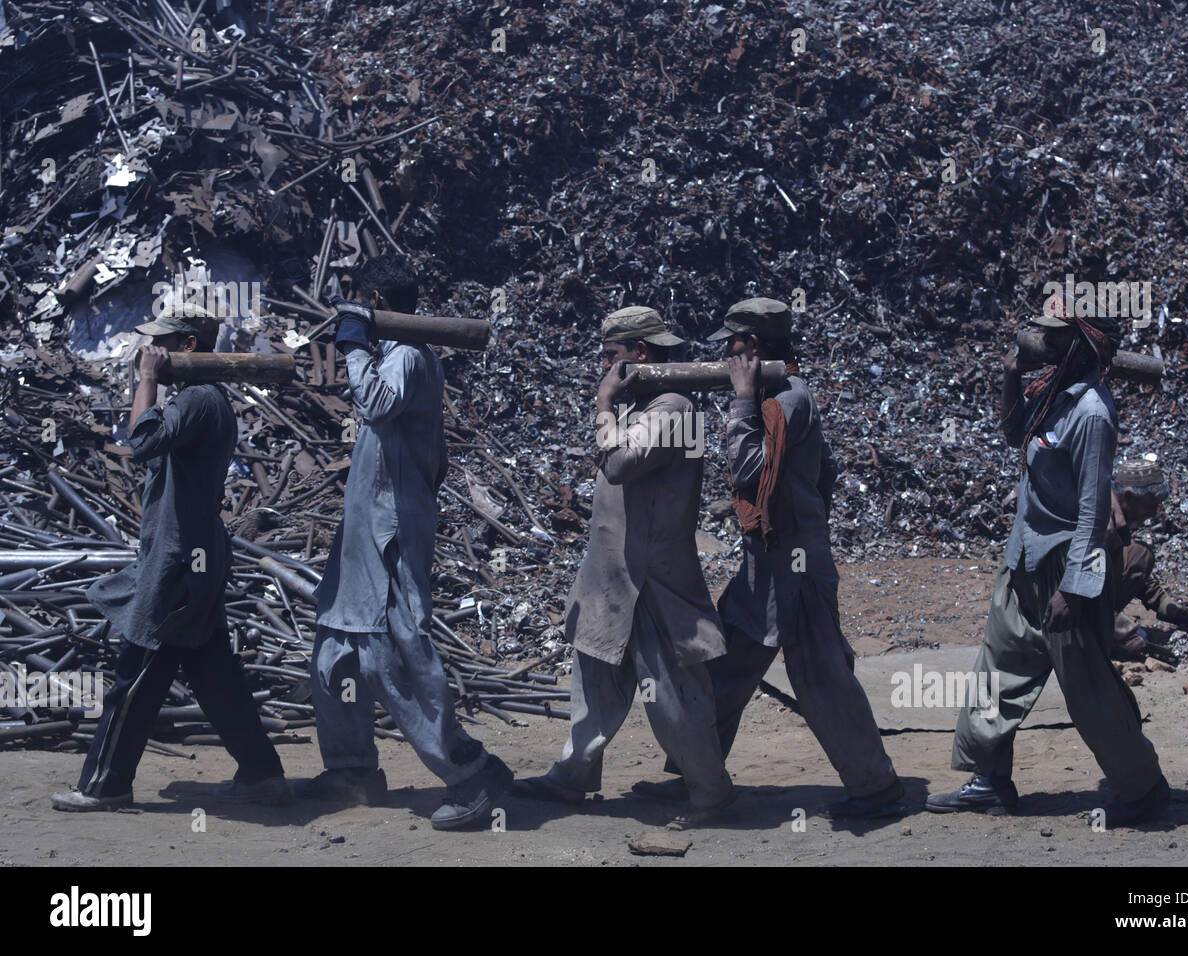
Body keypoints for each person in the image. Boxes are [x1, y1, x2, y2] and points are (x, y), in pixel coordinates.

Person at [633, 297, 905, 819]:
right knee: (729, 667)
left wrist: (739, 402)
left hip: (795, 568)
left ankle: (876, 787)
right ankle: (699, 774)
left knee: (821, 676)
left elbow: (749, 473)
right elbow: (824, 471)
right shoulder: (777, 395)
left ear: (752, 347)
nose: (727, 355)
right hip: (769, 561)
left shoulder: (787, 400)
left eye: (732, 346)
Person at [926, 306, 1170, 826]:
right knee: (999, 666)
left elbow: (1092, 508)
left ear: (1082, 347)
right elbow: (1016, 434)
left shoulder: (1092, 414)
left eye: (1056, 339)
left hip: (1063, 562)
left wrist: (1075, 589)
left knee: (1087, 687)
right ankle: (987, 781)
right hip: (1025, 554)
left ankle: (1142, 788)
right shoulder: (1054, 394)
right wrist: (1012, 375)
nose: (1044, 346)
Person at [294, 255, 511, 830]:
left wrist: (354, 343)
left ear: (380, 305)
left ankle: (466, 774)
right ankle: (352, 769)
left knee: (394, 652)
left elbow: (376, 403)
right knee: (337, 648)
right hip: (366, 527)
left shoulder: (409, 355)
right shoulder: (399, 355)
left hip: (390, 525)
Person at [52, 306, 288, 811]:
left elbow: (140, 443)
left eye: (158, 345)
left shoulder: (199, 399)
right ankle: (264, 774)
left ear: (185, 346)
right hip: (190, 553)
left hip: (179, 562)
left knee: (134, 674)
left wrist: (147, 382)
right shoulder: (203, 401)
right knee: (213, 673)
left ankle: (106, 784)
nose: (148, 352)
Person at [511, 307, 735, 830]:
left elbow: (618, 463)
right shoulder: (650, 407)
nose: (606, 369)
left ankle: (710, 792)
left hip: (651, 579)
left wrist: (604, 403)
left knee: (672, 693)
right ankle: (572, 776)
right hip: (613, 576)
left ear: (640, 354)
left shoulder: (675, 408)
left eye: (613, 358)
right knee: (594, 678)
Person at [1107, 459, 1188, 659]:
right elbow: (1081, 588)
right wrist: (1125, 632)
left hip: (1086, 598)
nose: (1154, 513)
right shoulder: (1102, 523)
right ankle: (1098, 633)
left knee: (1136, 554)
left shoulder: (1118, 518)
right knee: (1140, 555)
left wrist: (1170, 609)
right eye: (1150, 505)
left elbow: (1127, 572)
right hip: (1069, 605)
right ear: (1128, 497)